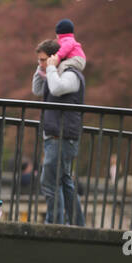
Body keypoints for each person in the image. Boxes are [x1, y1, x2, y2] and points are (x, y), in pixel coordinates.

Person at [32, 30, 86, 226]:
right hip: (54, 136)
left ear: (55, 58)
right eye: (38, 60)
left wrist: (52, 68)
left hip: (62, 136)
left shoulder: (71, 76)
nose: (41, 63)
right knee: (64, 182)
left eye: (43, 60)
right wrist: (42, 69)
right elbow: (37, 90)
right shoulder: (52, 74)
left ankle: (53, 224)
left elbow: (56, 89)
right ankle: (77, 224)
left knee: (49, 182)